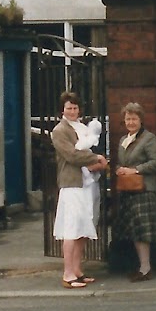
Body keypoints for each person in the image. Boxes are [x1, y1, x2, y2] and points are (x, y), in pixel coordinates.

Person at [51, 91, 107, 288]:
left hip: (87, 183)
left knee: (83, 227)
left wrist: (96, 160)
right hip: (72, 185)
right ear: (62, 110)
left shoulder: (82, 128)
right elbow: (72, 155)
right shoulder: (59, 131)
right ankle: (67, 274)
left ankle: (77, 270)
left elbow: (87, 150)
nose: (72, 111)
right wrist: (96, 159)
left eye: (75, 108)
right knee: (72, 228)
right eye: (69, 108)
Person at [111, 102, 156, 281]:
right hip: (128, 190)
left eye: (134, 119)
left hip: (143, 190)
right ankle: (142, 267)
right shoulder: (123, 140)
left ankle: (146, 268)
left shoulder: (149, 139)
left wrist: (134, 170)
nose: (131, 122)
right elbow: (123, 162)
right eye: (128, 119)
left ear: (141, 120)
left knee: (142, 232)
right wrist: (120, 169)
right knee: (134, 231)